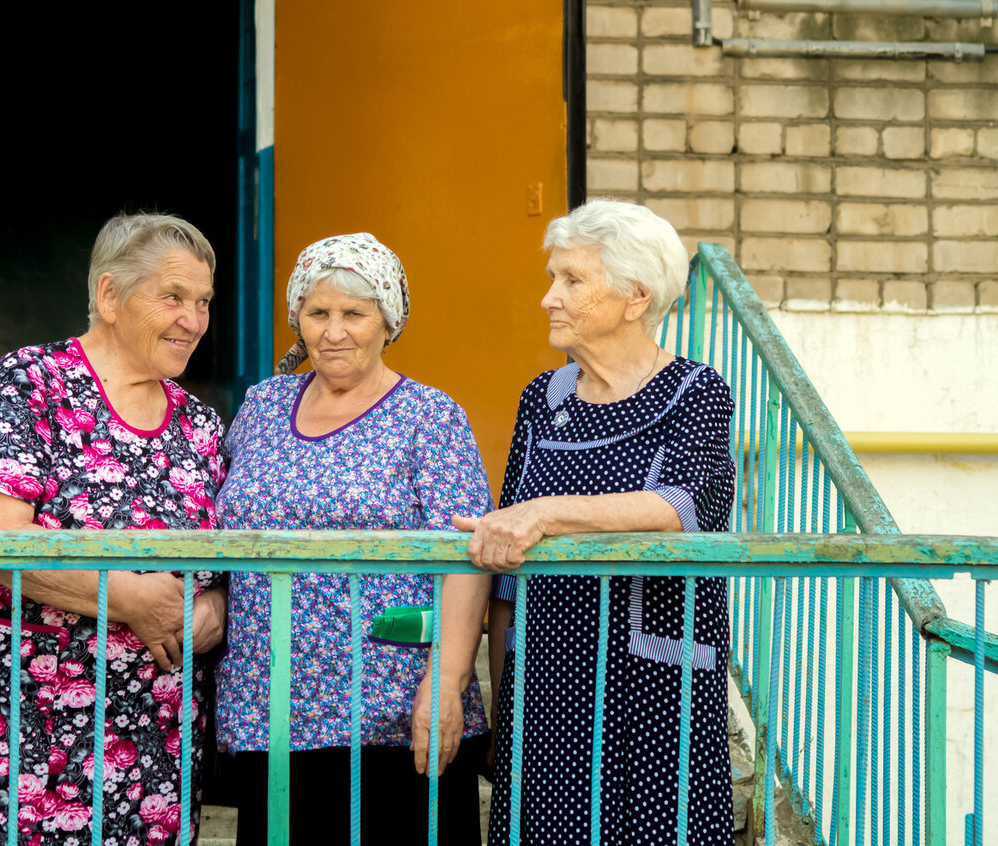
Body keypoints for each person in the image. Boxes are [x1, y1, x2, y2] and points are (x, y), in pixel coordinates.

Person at [0, 213, 229, 845]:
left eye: (202, 302)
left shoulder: (200, 425)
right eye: (172, 298)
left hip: (156, 742)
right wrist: (125, 597)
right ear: (110, 296)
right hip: (24, 730)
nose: (193, 320)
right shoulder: (34, 382)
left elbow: (228, 566)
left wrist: (213, 613)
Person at [450, 199, 736, 845]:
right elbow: (506, 561)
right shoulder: (541, 397)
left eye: (572, 280)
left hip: (656, 683)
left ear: (635, 296)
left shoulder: (696, 391)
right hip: (549, 676)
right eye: (554, 278)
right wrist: (504, 700)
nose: (549, 298)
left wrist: (545, 513)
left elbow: (685, 505)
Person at [214, 233, 493, 845]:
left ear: (388, 321)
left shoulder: (429, 416)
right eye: (318, 313)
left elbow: (468, 558)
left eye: (354, 314)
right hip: (271, 708)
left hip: (393, 713)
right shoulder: (261, 407)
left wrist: (445, 685)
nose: (334, 331)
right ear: (298, 320)